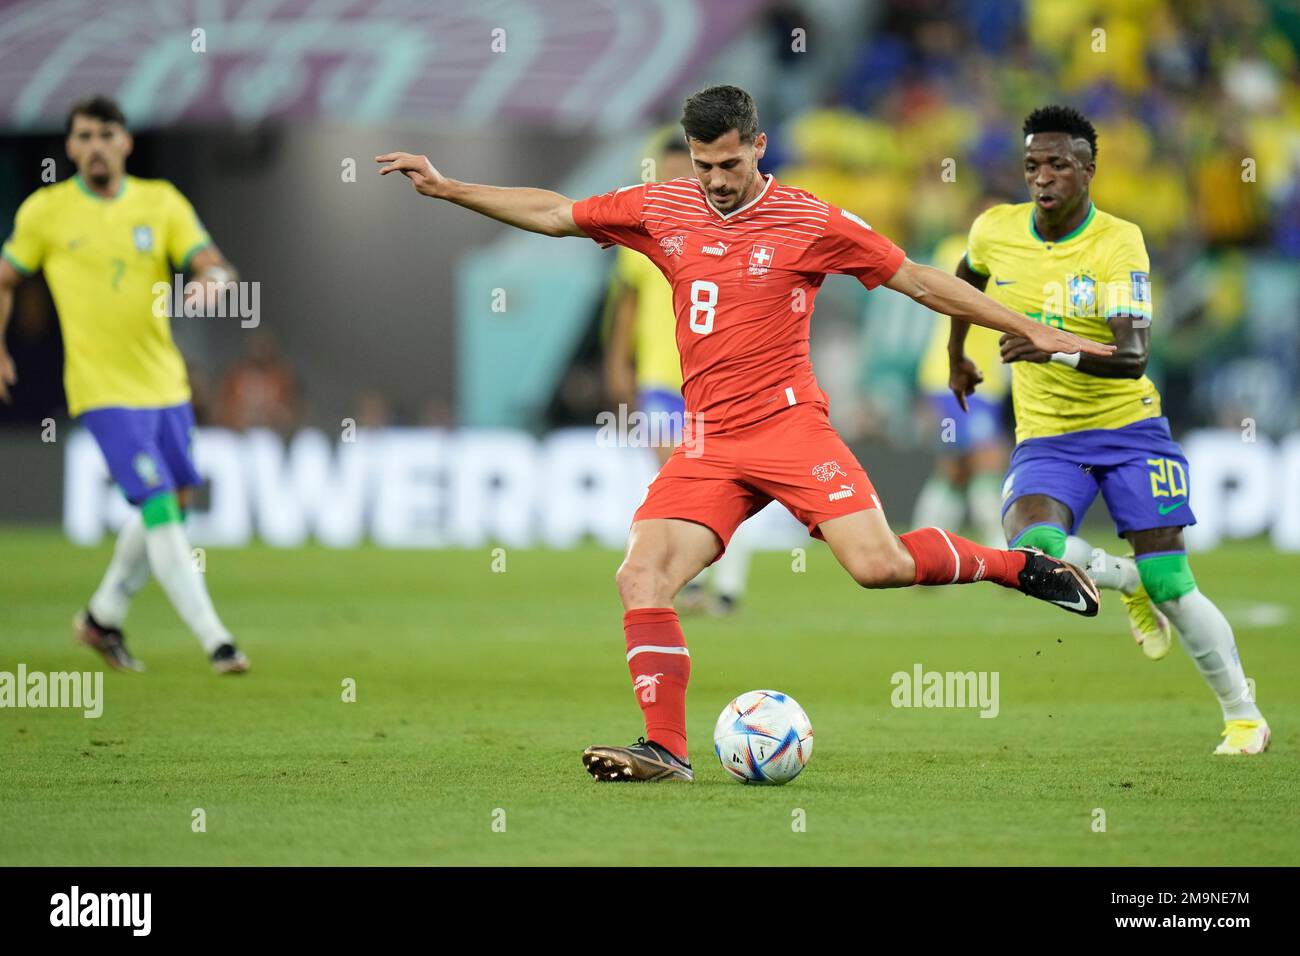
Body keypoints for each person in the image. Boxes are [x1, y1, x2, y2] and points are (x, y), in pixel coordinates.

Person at [377, 85, 1113, 783]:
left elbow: (918, 279)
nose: (717, 180)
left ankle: (1017, 568)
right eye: (703, 166)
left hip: (791, 428)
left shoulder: (811, 221)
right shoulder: (662, 207)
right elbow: (557, 212)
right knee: (641, 575)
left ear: (759, 146)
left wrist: (1025, 326)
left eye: (730, 163)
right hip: (708, 443)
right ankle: (666, 749)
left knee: (878, 567)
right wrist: (450, 189)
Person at [948, 105, 1267, 755]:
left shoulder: (1119, 243)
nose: (1043, 177)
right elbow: (963, 281)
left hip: (1130, 430)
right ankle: (1125, 584)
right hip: (1047, 438)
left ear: (1088, 170)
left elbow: (1133, 359)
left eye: (1058, 165)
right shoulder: (995, 230)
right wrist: (958, 352)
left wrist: (1048, 346)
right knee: (1034, 551)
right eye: (1033, 164)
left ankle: (1243, 717)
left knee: (1172, 584)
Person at [0, 95, 249, 674]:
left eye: (106, 135)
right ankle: (217, 641)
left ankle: (102, 615)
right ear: (70, 147)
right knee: (159, 503)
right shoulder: (47, 212)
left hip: (165, 385)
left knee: (176, 503)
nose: (95, 146)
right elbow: (6, 277)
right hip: (101, 389)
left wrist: (216, 281)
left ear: (126, 143)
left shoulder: (159, 202)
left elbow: (216, 264)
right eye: (84, 136)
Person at [603, 136, 752, 615]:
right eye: (665, 170)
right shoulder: (642, 235)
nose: (673, 178)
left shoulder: (725, 228)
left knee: (725, 483)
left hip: (717, 380)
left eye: (681, 170)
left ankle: (725, 588)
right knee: (676, 478)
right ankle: (693, 585)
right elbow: (627, 307)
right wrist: (617, 362)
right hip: (662, 379)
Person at [912, 219, 1010, 547]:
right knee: (986, 458)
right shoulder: (957, 251)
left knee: (956, 469)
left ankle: (921, 549)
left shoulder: (1006, 258)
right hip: (951, 378)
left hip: (986, 382)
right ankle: (1004, 553)